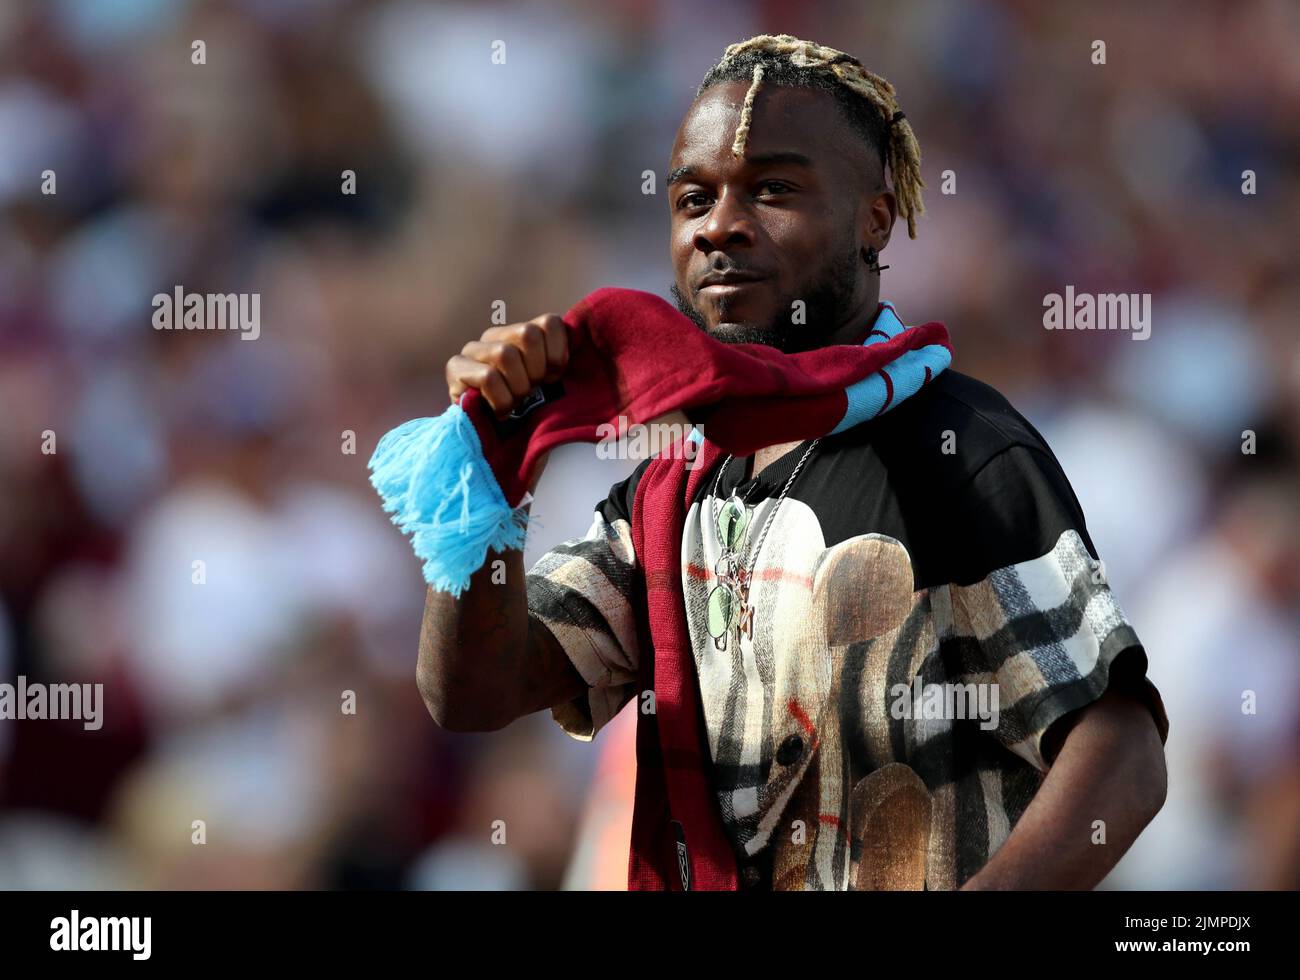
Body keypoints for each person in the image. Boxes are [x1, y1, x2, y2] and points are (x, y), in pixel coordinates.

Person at [417, 34, 1168, 890]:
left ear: (874, 218)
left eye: (774, 190)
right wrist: (491, 470)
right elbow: (474, 693)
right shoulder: (675, 480)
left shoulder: (957, 448)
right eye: (693, 199)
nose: (720, 227)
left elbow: (1123, 759)